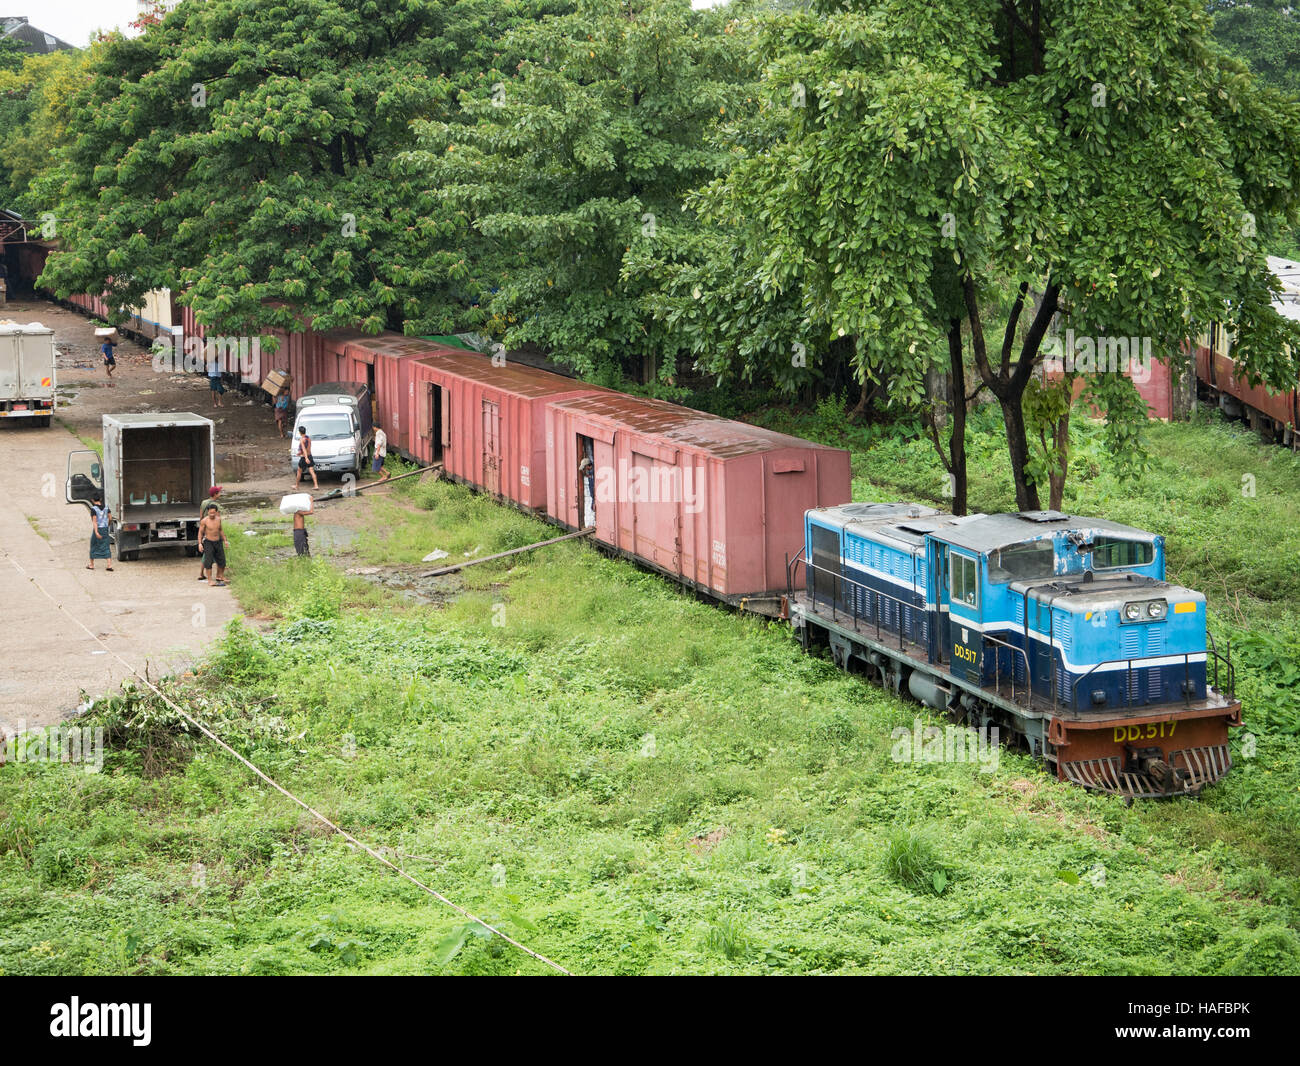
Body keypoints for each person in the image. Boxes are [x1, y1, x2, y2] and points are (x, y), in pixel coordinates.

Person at [198, 504, 229, 587]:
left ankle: (220, 576)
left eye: (213, 513)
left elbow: (221, 530)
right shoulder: (204, 521)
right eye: (210, 513)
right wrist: (200, 543)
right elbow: (200, 532)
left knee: (222, 560)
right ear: (208, 512)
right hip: (208, 542)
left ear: (216, 512)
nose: (212, 514)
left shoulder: (218, 519)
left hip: (218, 542)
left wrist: (225, 540)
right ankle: (210, 580)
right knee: (208, 561)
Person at [197, 486, 223, 580]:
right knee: (215, 553)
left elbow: (200, 516)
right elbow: (217, 520)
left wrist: (202, 528)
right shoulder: (216, 506)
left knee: (206, 553)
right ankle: (218, 575)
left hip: (204, 529)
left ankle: (201, 573)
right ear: (215, 494)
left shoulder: (204, 502)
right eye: (219, 492)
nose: (220, 494)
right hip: (212, 532)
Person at [86, 495, 113, 571]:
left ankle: (91, 565)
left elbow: (94, 522)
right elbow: (110, 518)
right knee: (106, 545)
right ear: (100, 499)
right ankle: (109, 565)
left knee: (93, 545)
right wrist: (108, 524)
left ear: (92, 500)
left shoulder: (93, 509)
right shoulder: (106, 508)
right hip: (105, 529)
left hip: (98, 529)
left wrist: (96, 532)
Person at [294, 425, 319, 489]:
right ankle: (316, 485)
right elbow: (307, 448)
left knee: (299, 471)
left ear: (300, 432)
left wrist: (306, 458)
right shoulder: (308, 438)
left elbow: (304, 449)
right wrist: (300, 453)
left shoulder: (302, 439)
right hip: (310, 455)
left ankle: (296, 486)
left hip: (304, 457)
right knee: (312, 471)